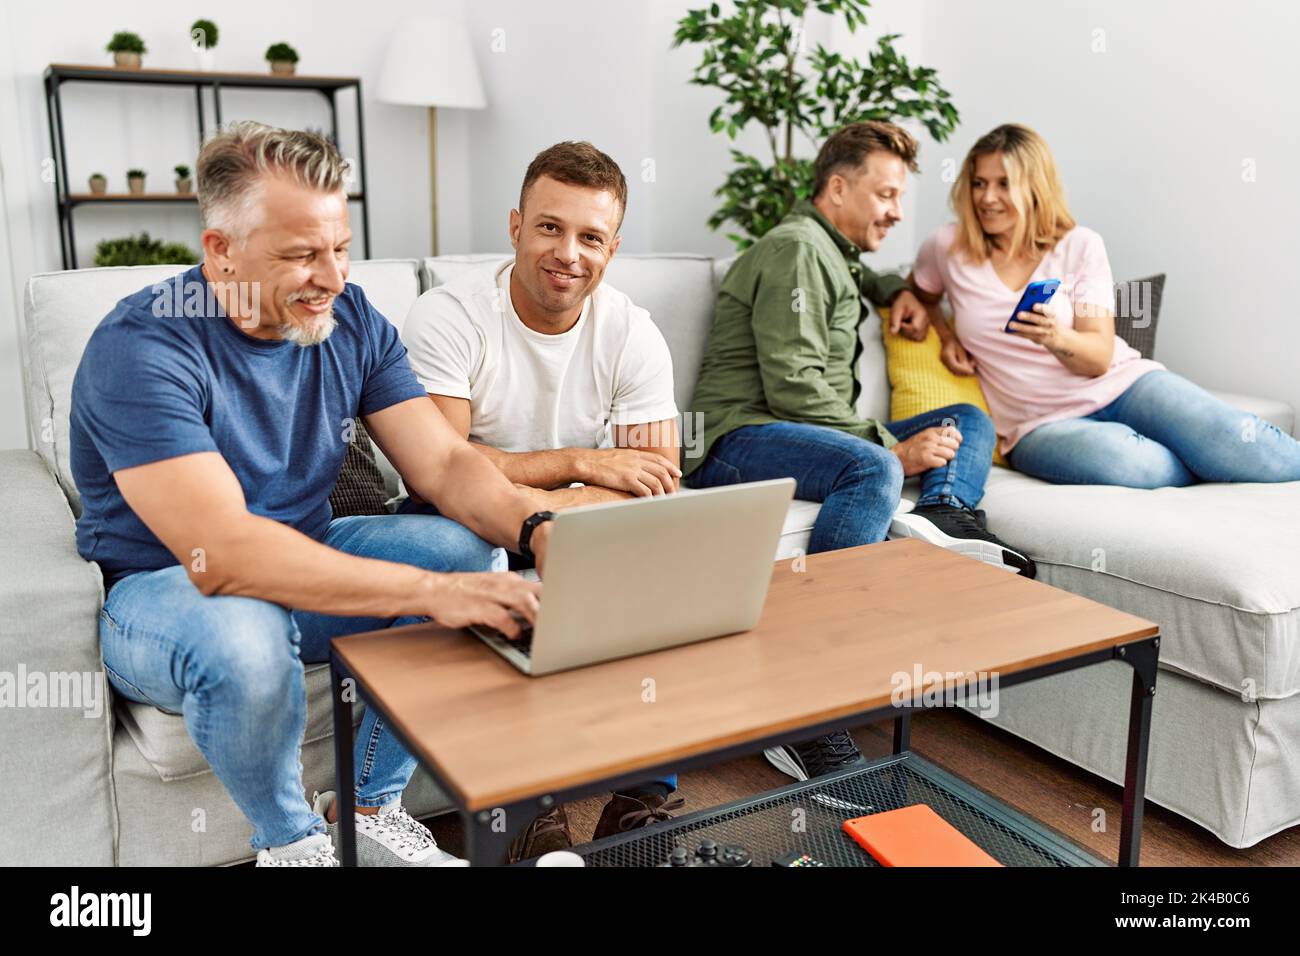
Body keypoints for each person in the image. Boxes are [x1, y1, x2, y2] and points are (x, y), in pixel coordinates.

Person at [70, 121, 553, 867]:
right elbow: (222, 556)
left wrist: (543, 530)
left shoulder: (351, 317)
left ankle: (367, 808)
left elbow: (447, 466)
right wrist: (437, 591)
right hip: (163, 592)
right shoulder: (141, 346)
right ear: (220, 250)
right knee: (245, 634)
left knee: (466, 546)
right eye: (300, 255)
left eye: (340, 247)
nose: (331, 276)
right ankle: (294, 848)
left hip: (306, 554)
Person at [687, 121, 1035, 785]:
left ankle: (948, 513)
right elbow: (792, 388)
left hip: (785, 427)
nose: (897, 211)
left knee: (967, 415)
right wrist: (894, 449)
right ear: (838, 188)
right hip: (735, 437)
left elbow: (863, 278)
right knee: (872, 465)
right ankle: (807, 716)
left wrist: (897, 292)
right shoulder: (794, 249)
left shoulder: (829, 252)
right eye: (886, 194)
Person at [399, 142, 684, 859]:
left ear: (612, 248)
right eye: (550, 228)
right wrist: (583, 465)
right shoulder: (450, 315)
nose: (568, 253)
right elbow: (439, 465)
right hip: (456, 518)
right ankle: (530, 810)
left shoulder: (631, 331)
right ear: (516, 226)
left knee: (658, 555)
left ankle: (641, 804)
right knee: (482, 556)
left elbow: (655, 475)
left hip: (575, 527)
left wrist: (554, 498)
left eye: (590, 237)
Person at [913, 122, 1300, 487]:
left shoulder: (1080, 244)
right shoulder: (947, 245)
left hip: (1124, 383)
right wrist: (945, 335)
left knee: (1233, 437)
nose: (986, 197)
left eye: (1003, 184)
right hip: (1037, 424)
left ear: (1035, 187)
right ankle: (1212, 465)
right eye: (979, 183)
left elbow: (1098, 356)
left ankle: (1222, 460)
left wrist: (1053, 336)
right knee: (1134, 463)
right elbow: (920, 293)